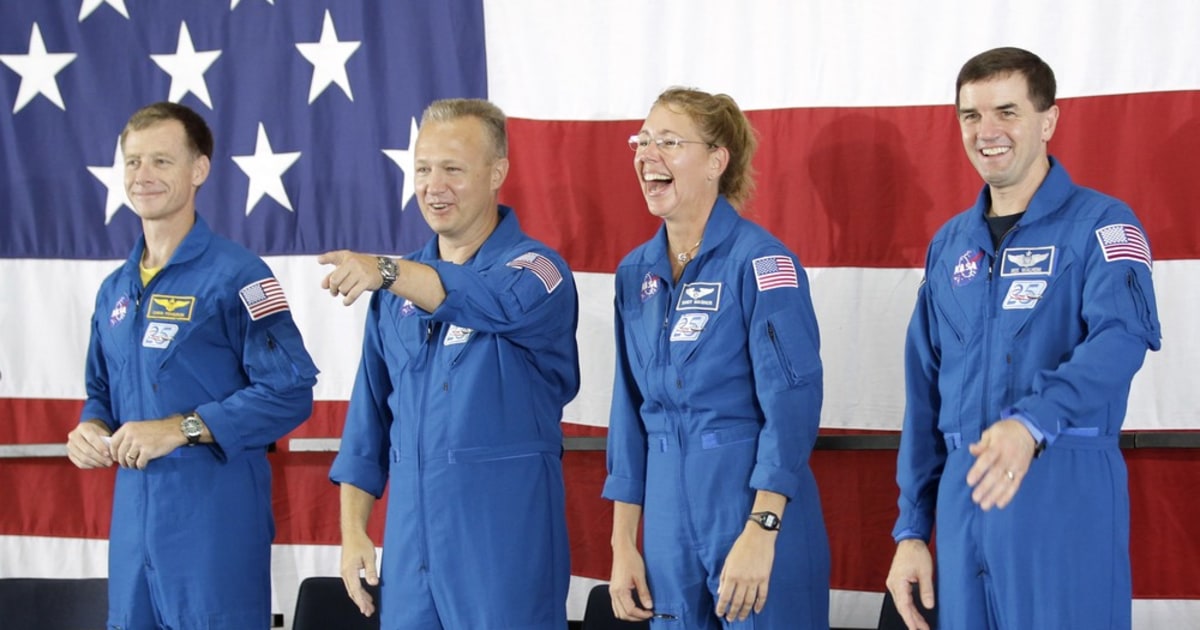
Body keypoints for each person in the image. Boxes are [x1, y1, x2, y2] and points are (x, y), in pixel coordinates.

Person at [885, 47, 1162, 630]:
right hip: (964, 501)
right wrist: (912, 530)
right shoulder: (949, 246)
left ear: (1048, 121)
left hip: (1063, 485)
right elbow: (924, 393)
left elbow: (1123, 337)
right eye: (970, 115)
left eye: (1007, 111)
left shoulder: (1104, 225)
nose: (987, 132)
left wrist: (1032, 420)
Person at [321, 98, 580, 629]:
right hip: (413, 552)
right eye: (423, 168)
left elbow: (492, 303)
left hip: (503, 548)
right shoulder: (392, 292)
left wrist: (390, 270)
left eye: (453, 169)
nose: (433, 185)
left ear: (497, 173)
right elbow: (368, 425)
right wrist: (353, 533)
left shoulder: (539, 271)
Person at [65, 101, 319, 629]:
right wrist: (90, 427)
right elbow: (100, 391)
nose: (143, 175)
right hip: (134, 531)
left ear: (198, 169)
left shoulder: (239, 276)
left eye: (161, 160)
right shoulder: (115, 289)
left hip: (213, 527)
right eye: (133, 162)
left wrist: (181, 429)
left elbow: (290, 391)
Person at [603, 87, 831, 629]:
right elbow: (628, 413)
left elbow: (792, 406)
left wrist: (762, 528)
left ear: (715, 161)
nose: (647, 154)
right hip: (664, 518)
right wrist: (621, 544)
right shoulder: (635, 273)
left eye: (668, 141)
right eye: (642, 140)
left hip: (746, 502)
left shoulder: (763, 262)